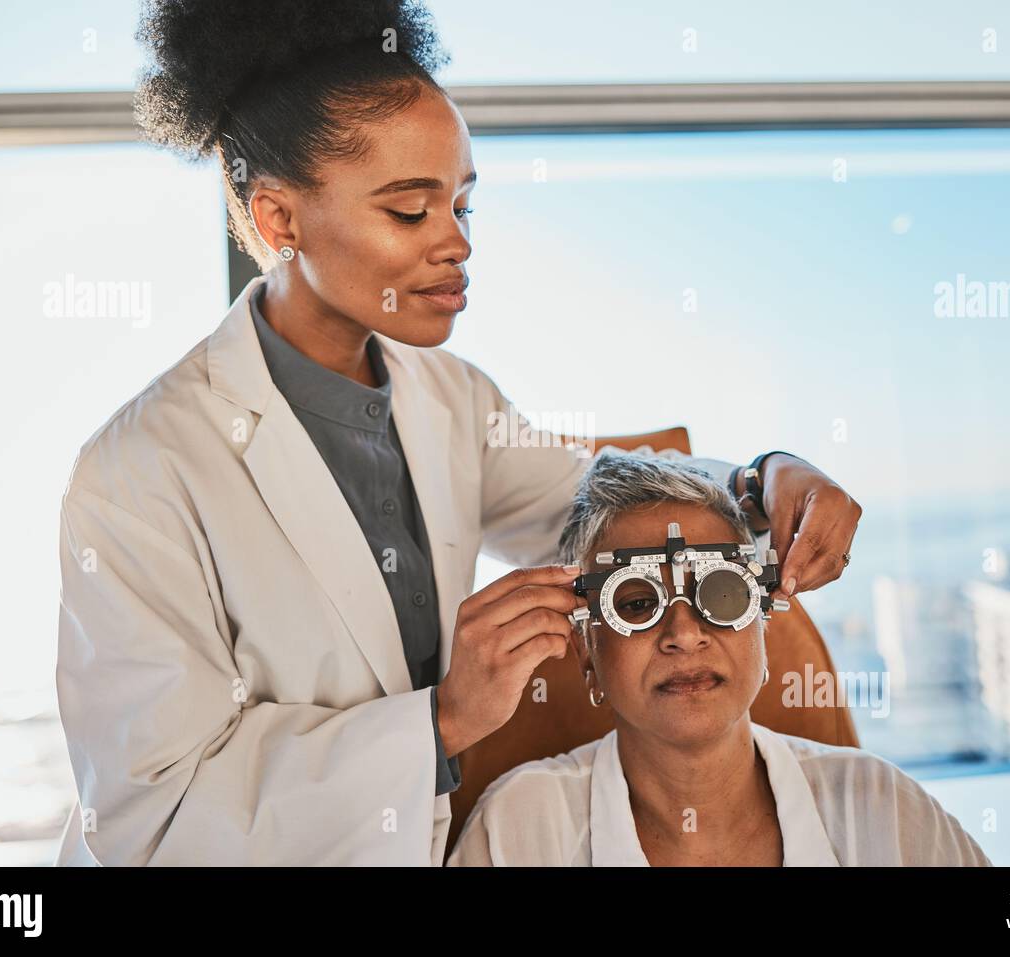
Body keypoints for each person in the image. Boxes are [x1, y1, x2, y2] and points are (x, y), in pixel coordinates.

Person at [53, 0, 863, 865]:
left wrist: (760, 479)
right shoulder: (137, 471)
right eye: (410, 211)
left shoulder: (447, 397)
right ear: (280, 221)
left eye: (462, 206)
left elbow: (591, 491)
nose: (456, 244)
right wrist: (442, 722)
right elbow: (152, 818)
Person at [448, 450, 987, 866]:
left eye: (722, 595)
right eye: (636, 603)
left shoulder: (878, 805)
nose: (684, 633)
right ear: (587, 655)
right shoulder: (524, 827)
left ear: (760, 629)